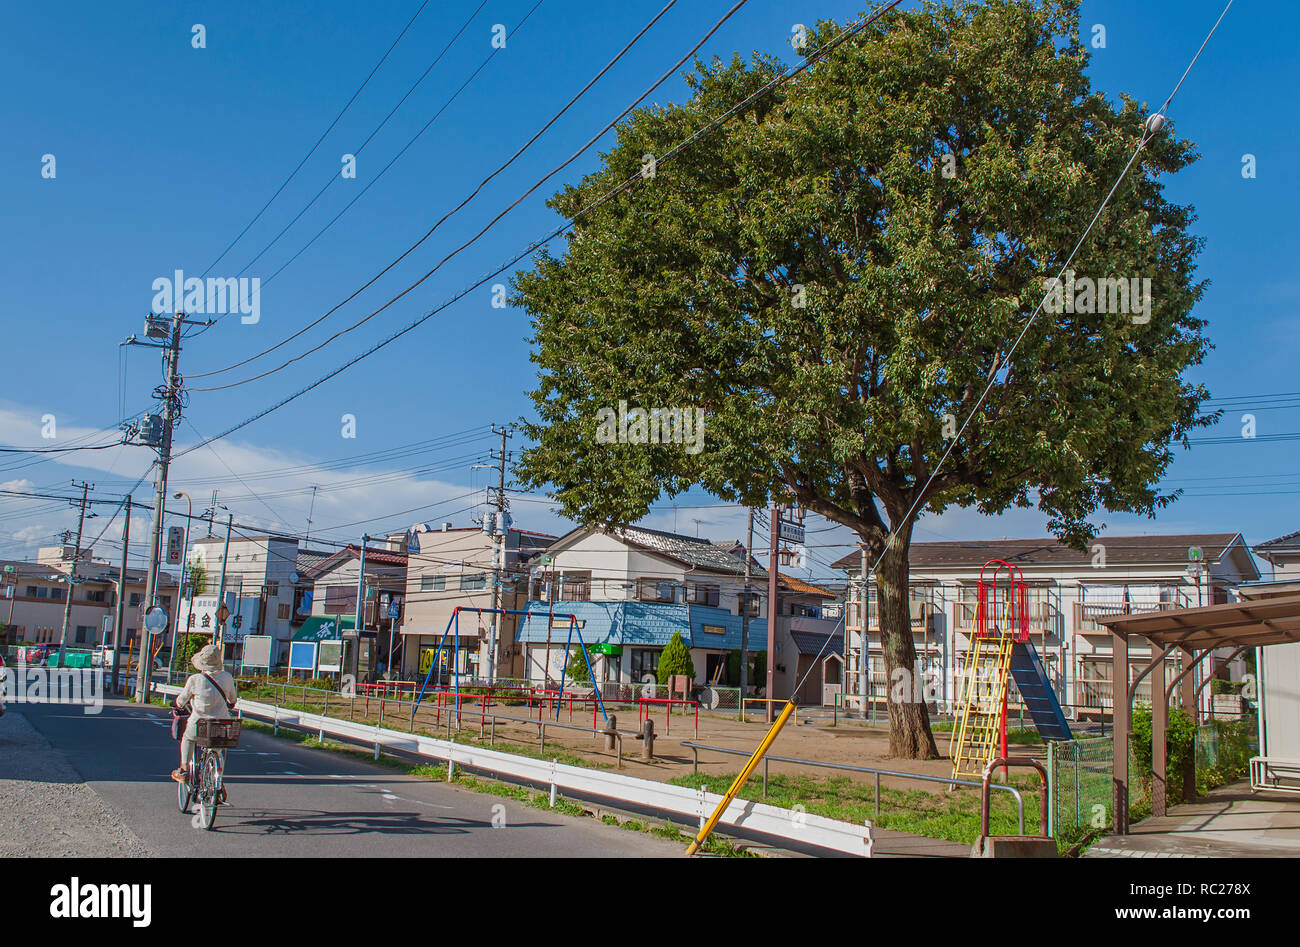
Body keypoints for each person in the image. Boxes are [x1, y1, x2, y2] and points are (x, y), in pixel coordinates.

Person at [170, 644, 237, 784]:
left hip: (199, 724)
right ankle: (218, 783)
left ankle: (184, 769)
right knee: (219, 752)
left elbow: (181, 701)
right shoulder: (227, 677)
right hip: (222, 725)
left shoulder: (195, 679)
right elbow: (232, 700)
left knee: (187, 738)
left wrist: (176, 704)